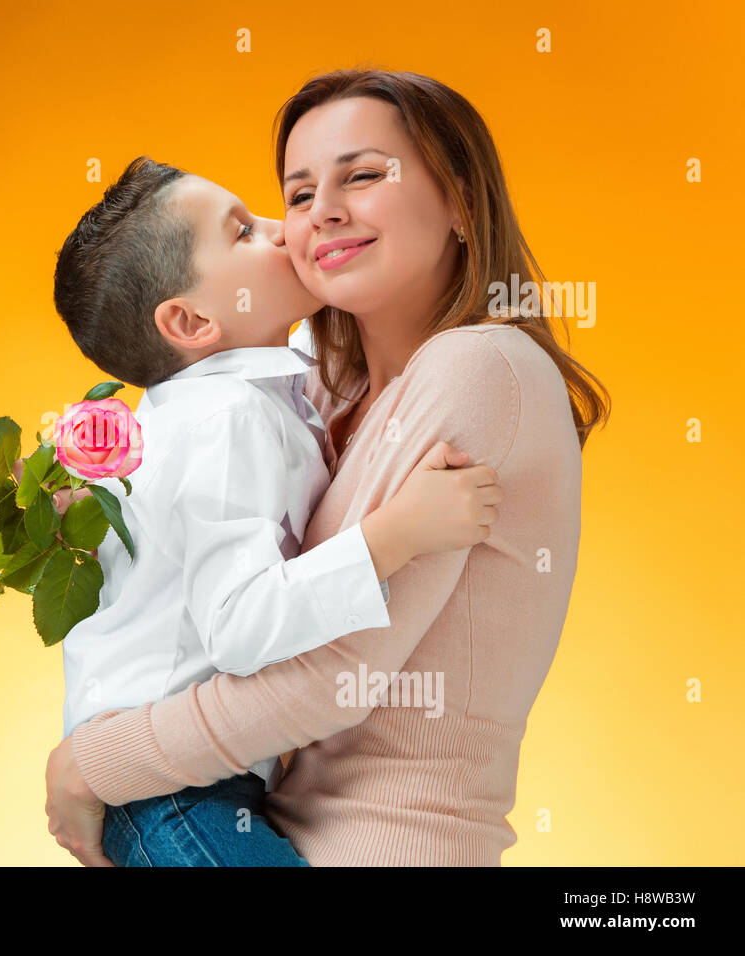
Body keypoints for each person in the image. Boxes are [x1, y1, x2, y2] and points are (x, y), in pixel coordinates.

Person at [46, 68, 611, 866]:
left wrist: (91, 763)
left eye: (365, 175)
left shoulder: (480, 366)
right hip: (259, 825)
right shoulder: (317, 390)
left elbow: (328, 676)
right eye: (300, 192)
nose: (316, 216)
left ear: (459, 199)